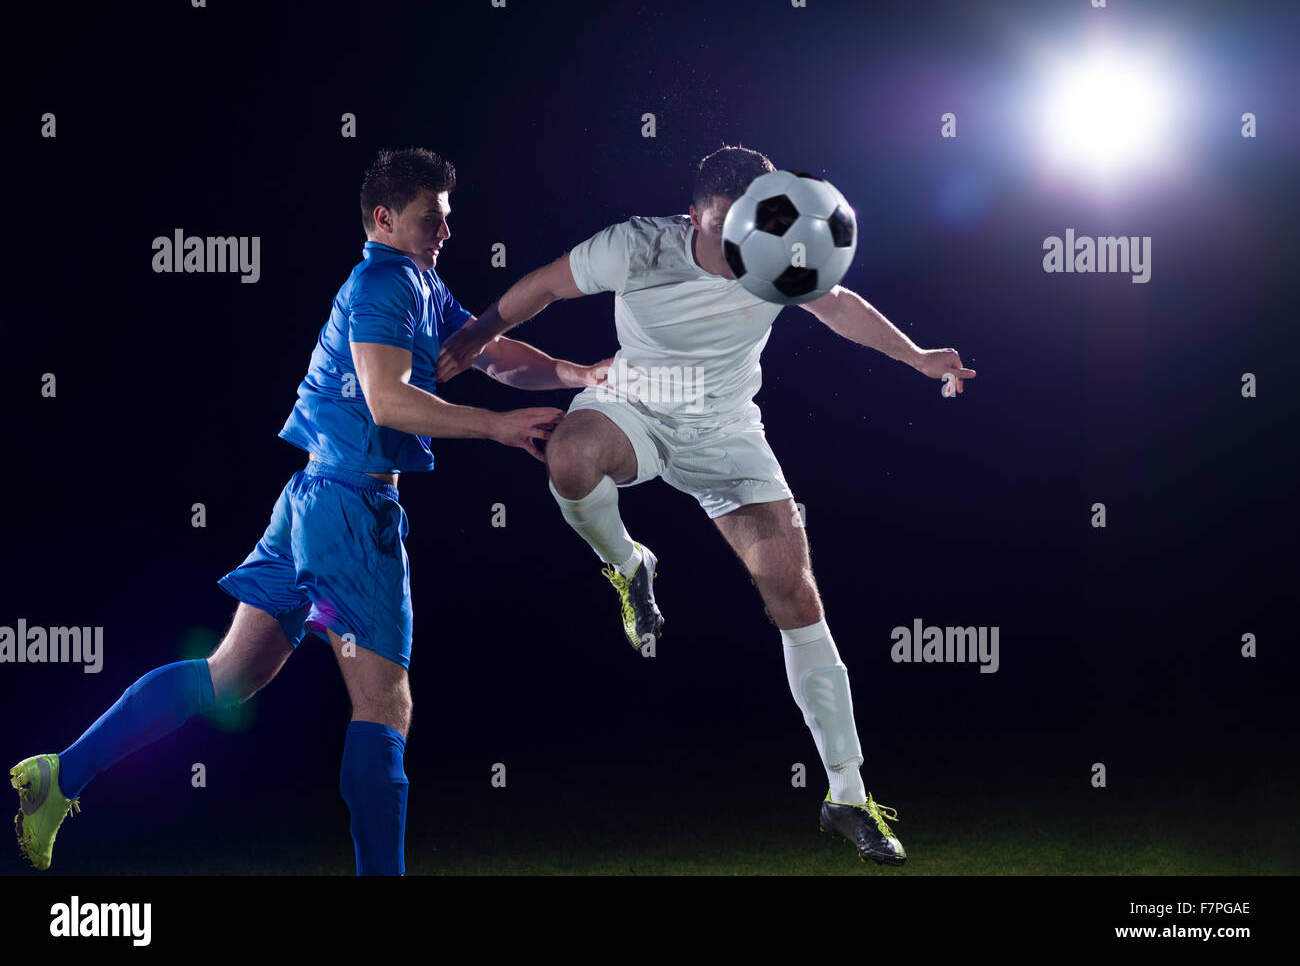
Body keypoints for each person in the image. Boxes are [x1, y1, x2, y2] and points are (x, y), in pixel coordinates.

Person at [11, 147, 607, 875]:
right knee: (385, 705)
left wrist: (580, 373)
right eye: (432, 218)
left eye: (448, 218)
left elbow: (489, 351)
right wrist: (496, 425)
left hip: (309, 503)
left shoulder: (419, 282)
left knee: (228, 678)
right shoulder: (383, 283)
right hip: (352, 508)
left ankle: (59, 775)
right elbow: (387, 398)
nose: (445, 231)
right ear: (385, 218)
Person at [435, 145, 976, 866]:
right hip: (636, 408)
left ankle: (846, 794)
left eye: (749, 224)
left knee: (792, 588)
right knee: (568, 454)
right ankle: (627, 565)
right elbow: (544, 286)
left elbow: (837, 305)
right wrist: (473, 337)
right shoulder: (635, 245)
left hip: (725, 433)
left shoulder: (778, 252)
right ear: (694, 215)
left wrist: (918, 356)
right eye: (722, 226)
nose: (737, 244)